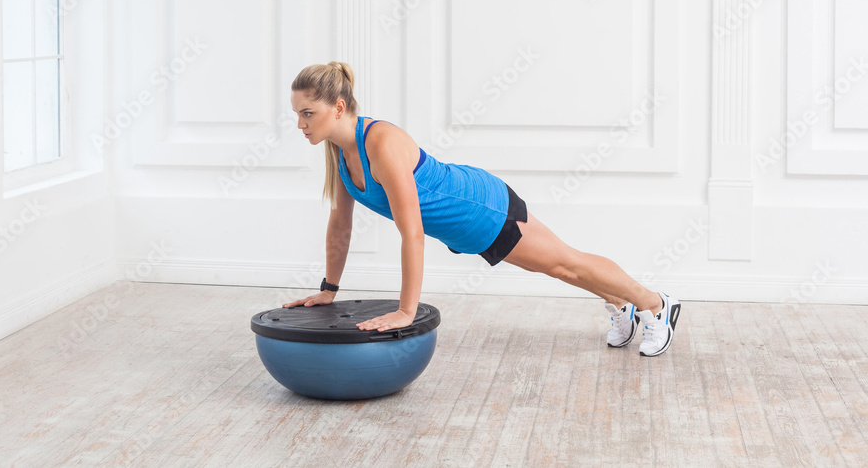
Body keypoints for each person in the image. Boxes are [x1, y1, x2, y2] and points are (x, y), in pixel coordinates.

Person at [283, 61, 681, 357]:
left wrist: (406, 311)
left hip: (481, 208)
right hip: (462, 226)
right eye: (297, 114)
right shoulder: (340, 152)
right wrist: (328, 291)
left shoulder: (381, 144)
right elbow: (340, 225)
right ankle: (621, 303)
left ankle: (655, 304)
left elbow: (413, 233)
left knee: (565, 264)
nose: (300, 123)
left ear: (337, 107)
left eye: (307, 113)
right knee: (556, 267)